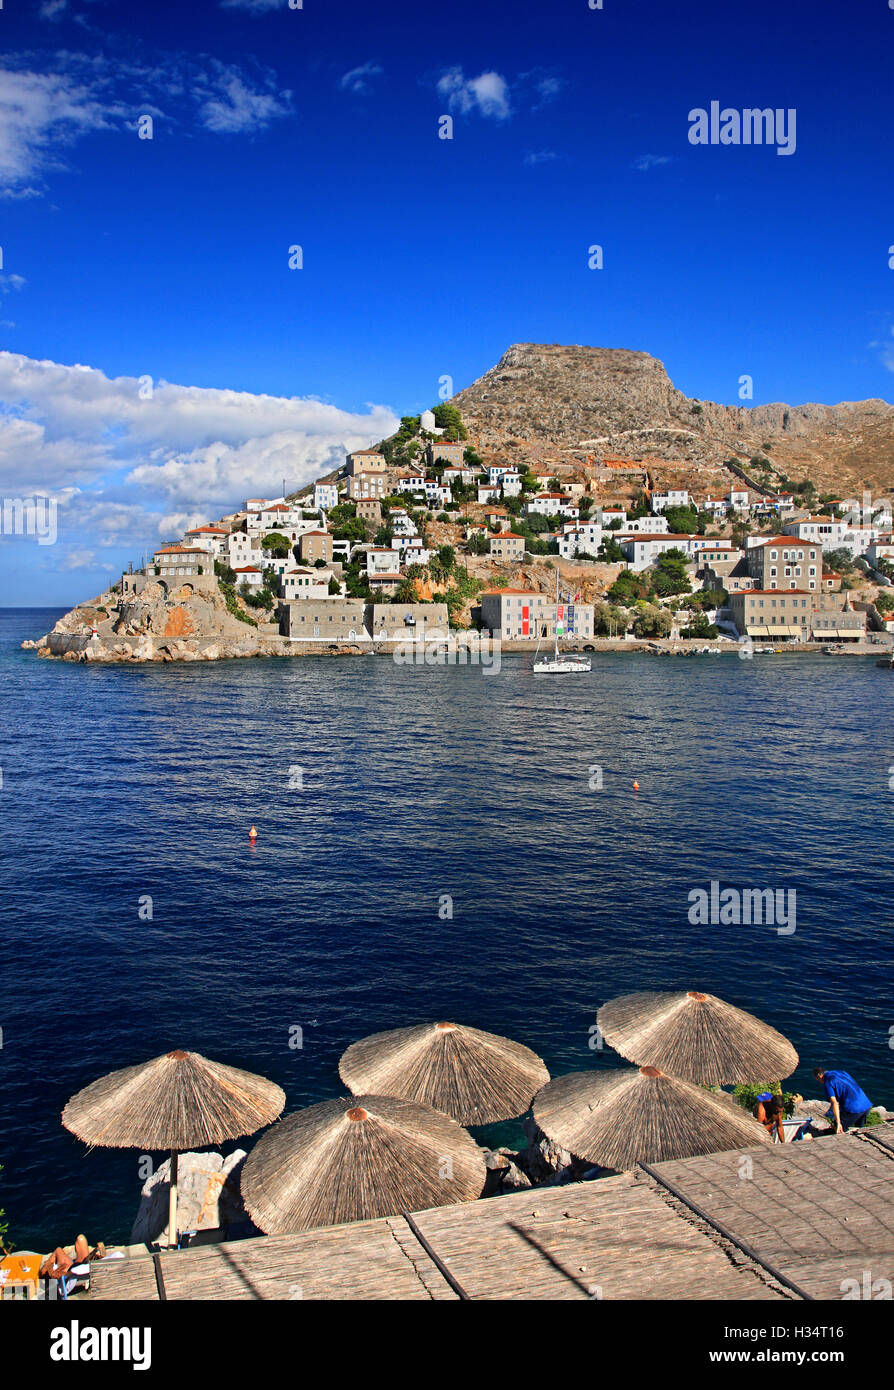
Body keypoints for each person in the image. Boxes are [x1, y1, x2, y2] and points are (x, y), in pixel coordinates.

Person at [813, 1066, 873, 1132]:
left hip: (854, 1108)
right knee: (859, 1130)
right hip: (866, 1105)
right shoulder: (842, 1072)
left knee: (838, 1129)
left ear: (819, 1076)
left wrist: (838, 1123)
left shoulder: (828, 1082)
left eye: (818, 1080)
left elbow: (834, 1103)